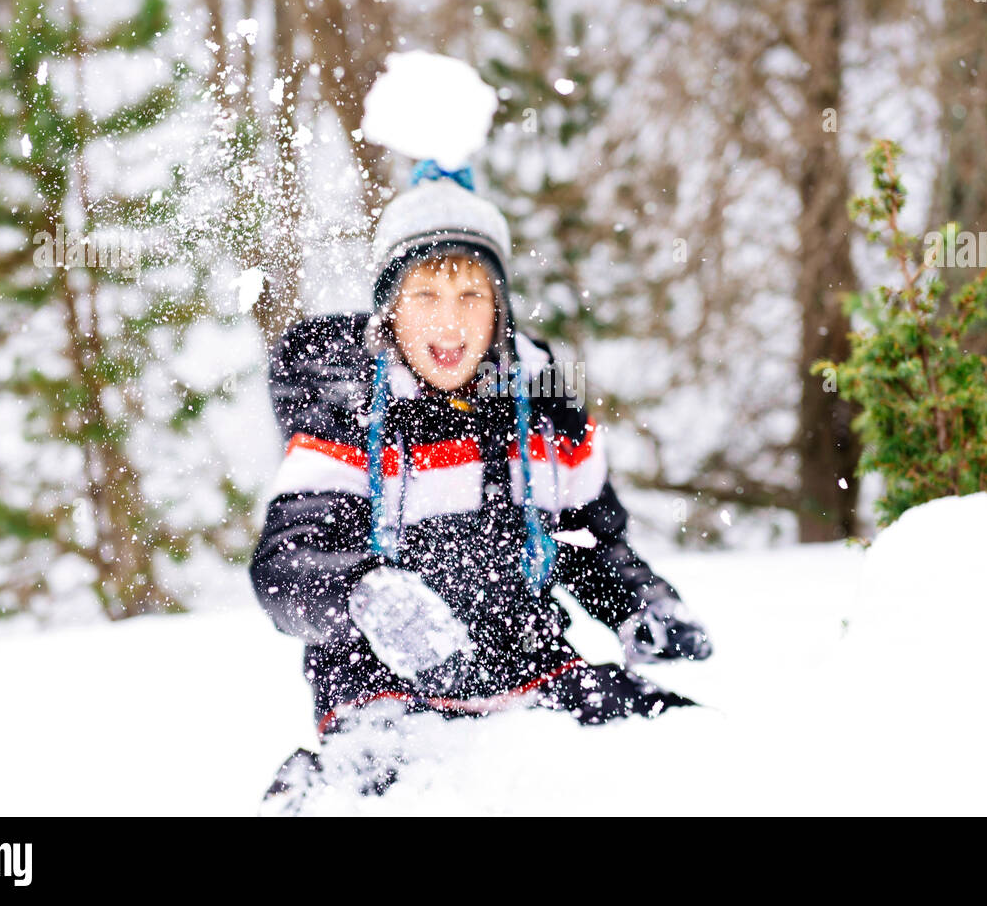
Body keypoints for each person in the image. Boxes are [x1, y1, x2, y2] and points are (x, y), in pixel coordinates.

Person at [250, 163, 713, 801]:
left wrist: (641, 605)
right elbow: (285, 566)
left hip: (534, 672)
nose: (450, 323)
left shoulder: (542, 412)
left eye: (471, 296)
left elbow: (588, 543)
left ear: (501, 309)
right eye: (425, 297)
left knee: (682, 748)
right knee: (417, 794)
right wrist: (367, 593)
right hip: (383, 695)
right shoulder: (349, 413)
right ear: (389, 312)